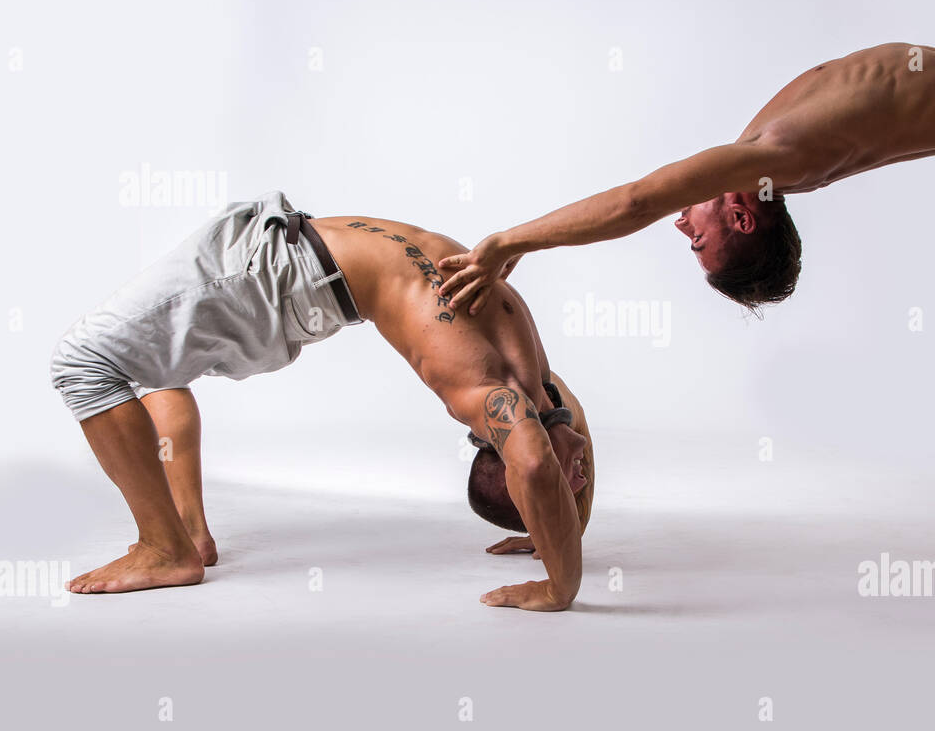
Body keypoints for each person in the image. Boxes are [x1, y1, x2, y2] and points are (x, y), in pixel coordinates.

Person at [436, 43, 935, 611]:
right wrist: (509, 243)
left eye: (693, 240)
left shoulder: (758, 150)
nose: (683, 227)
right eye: (700, 242)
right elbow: (638, 200)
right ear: (743, 214)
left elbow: (650, 197)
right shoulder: (775, 154)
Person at [50, 192, 594, 611]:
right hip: (290, 259)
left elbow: (535, 464)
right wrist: (553, 531)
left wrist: (559, 586)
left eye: (571, 484)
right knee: (152, 365)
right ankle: (190, 532)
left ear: (512, 466)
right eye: (576, 483)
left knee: (81, 360)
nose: (584, 473)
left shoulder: (484, 389)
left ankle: (165, 550)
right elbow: (550, 459)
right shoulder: (545, 391)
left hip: (273, 276)